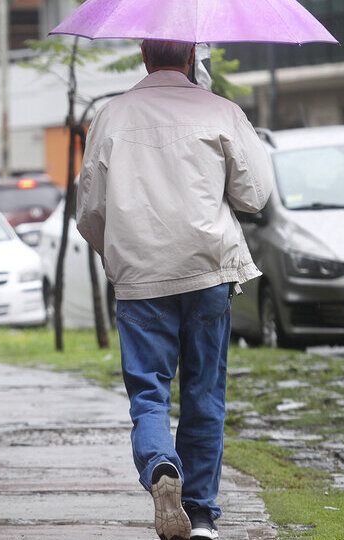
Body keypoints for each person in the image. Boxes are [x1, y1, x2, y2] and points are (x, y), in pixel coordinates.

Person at [76, 40, 273, 540]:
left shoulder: (110, 116)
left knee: (149, 394)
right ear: (191, 56)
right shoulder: (221, 111)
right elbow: (254, 195)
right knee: (205, 393)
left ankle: (162, 466)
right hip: (207, 271)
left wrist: (120, 257)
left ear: (143, 55)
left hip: (141, 278)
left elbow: (90, 213)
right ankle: (202, 515)